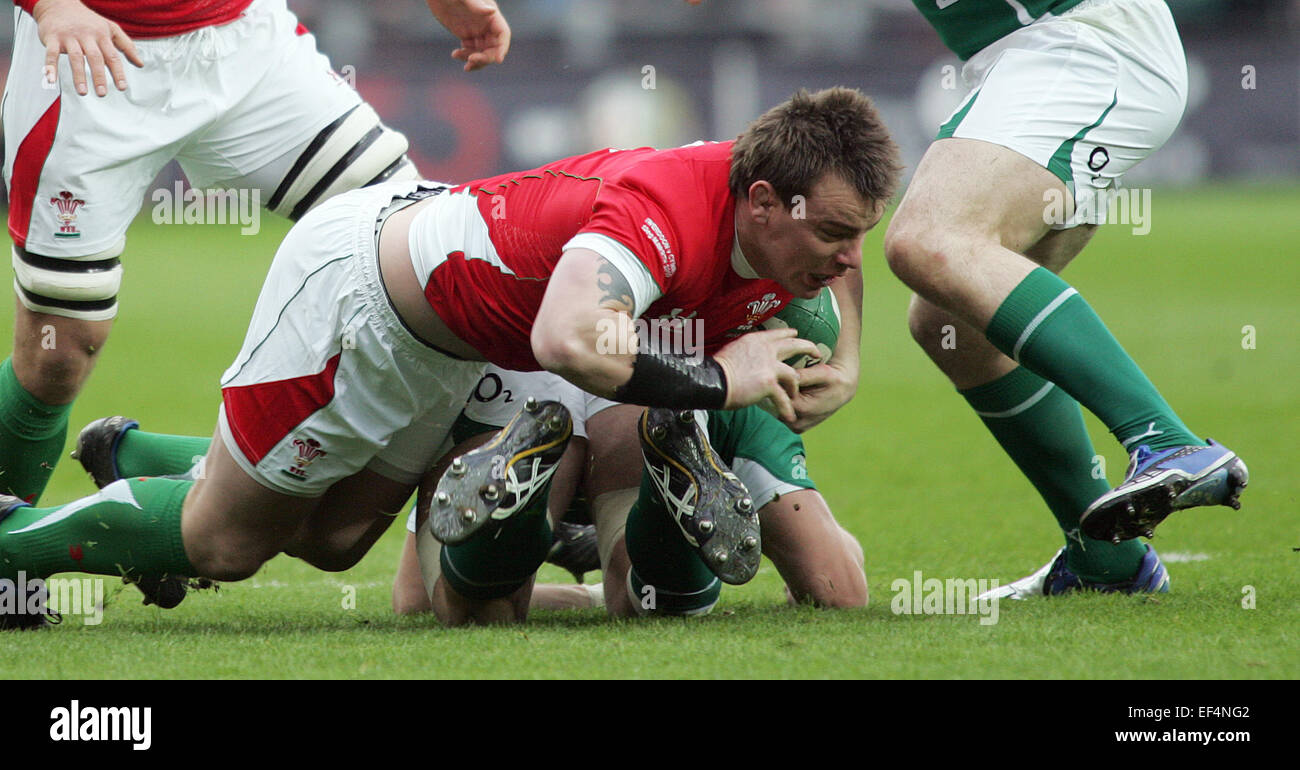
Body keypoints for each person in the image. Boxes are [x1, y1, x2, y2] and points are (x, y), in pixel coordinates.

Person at [0, 87, 900, 629]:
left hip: (464, 337)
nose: (849, 258)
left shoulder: (785, 213)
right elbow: (563, 338)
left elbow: (840, 256)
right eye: (833, 233)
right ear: (763, 204)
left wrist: (852, 359)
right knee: (225, 542)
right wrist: (716, 381)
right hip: (361, 305)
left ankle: (148, 463)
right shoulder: (657, 213)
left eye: (859, 234)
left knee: (335, 537)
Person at [0, 0, 510, 511]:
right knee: (57, 354)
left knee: (425, 264)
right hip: (91, 54)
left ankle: (491, 517)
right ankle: (10, 561)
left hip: (245, 45)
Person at [882, 0, 1247, 595]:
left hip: (1085, 41)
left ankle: (1168, 441)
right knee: (952, 325)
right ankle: (1108, 563)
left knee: (930, 240)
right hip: (1023, 61)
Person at [393, 364, 867, 624]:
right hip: (674, 380)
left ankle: (522, 507)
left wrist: (581, 597)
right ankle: (667, 494)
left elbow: (410, 597)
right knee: (647, 599)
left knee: (466, 605)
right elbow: (841, 589)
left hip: (526, 383)